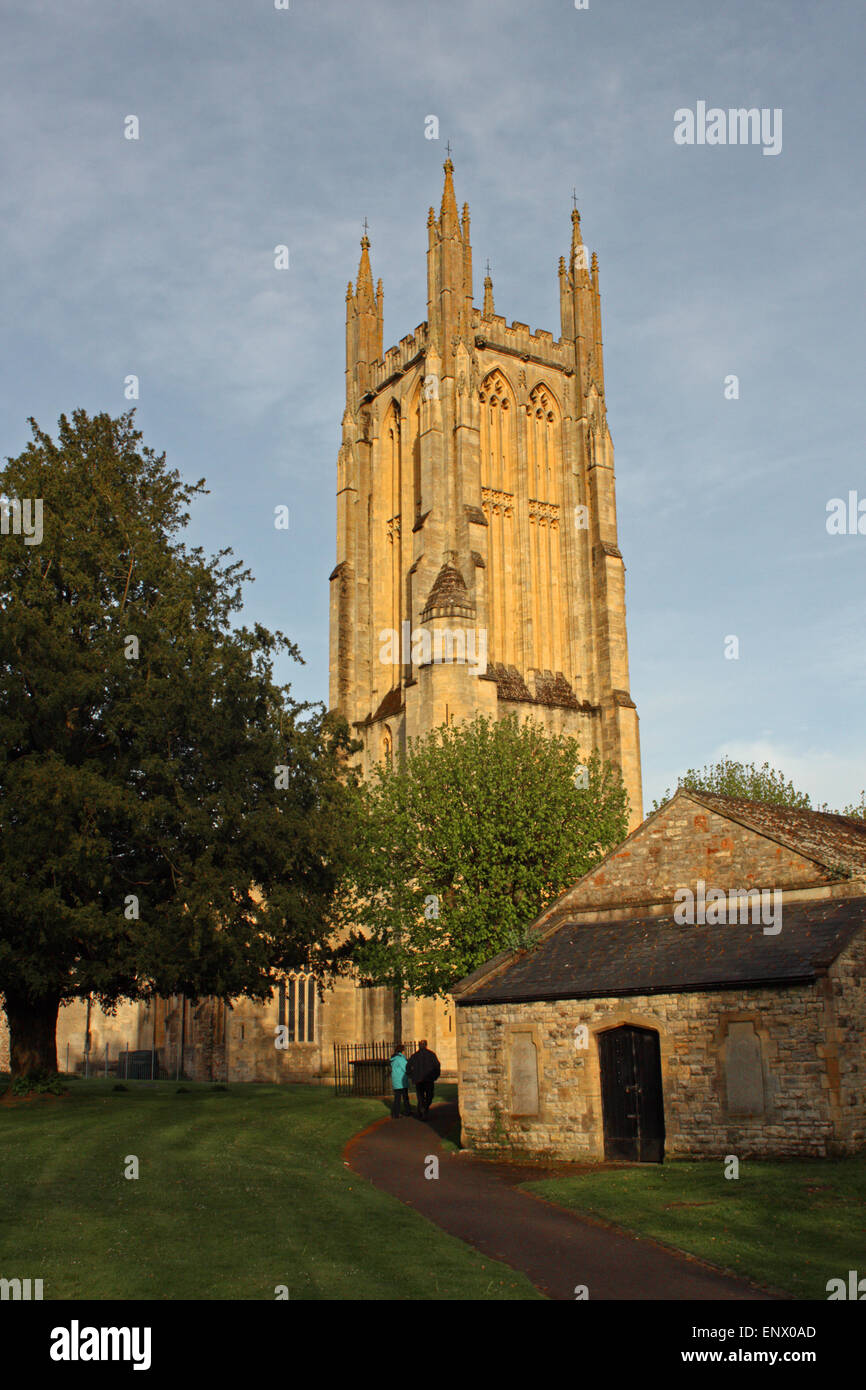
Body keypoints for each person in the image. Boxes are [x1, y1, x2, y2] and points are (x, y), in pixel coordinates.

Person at [407, 1039, 440, 1120]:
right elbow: (437, 1066)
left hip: (419, 1080)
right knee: (429, 1095)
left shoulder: (414, 1056)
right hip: (428, 1080)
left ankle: (423, 1109)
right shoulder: (431, 1055)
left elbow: (408, 1067)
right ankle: (424, 1108)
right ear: (426, 1045)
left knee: (421, 1096)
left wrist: (412, 1076)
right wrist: (435, 1076)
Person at [389, 1045, 411, 1118]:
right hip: (402, 1081)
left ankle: (395, 1113)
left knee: (397, 1098)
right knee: (405, 1098)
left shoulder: (394, 1059)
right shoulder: (401, 1059)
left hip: (396, 1081)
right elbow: (406, 1068)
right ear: (402, 1051)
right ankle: (407, 1111)